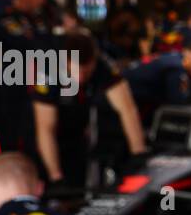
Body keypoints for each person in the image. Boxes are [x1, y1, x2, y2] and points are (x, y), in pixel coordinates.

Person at [31, 30, 148, 188]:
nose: (81, 77)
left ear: (93, 61)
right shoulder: (48, 71)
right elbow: (45, 129)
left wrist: (138, 153)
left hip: (77, 131)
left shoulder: (103, 64)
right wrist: (55, 176)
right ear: (66, 61)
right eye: (77, 71)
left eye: (86, 71)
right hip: (42, 134)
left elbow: (127, 109)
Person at [0, 0, 50, 156]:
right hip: (16, 88)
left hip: (40, 87)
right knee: (16, 137)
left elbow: (49, 46)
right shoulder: (5, 21)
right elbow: (26, 47)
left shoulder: (39, 20)